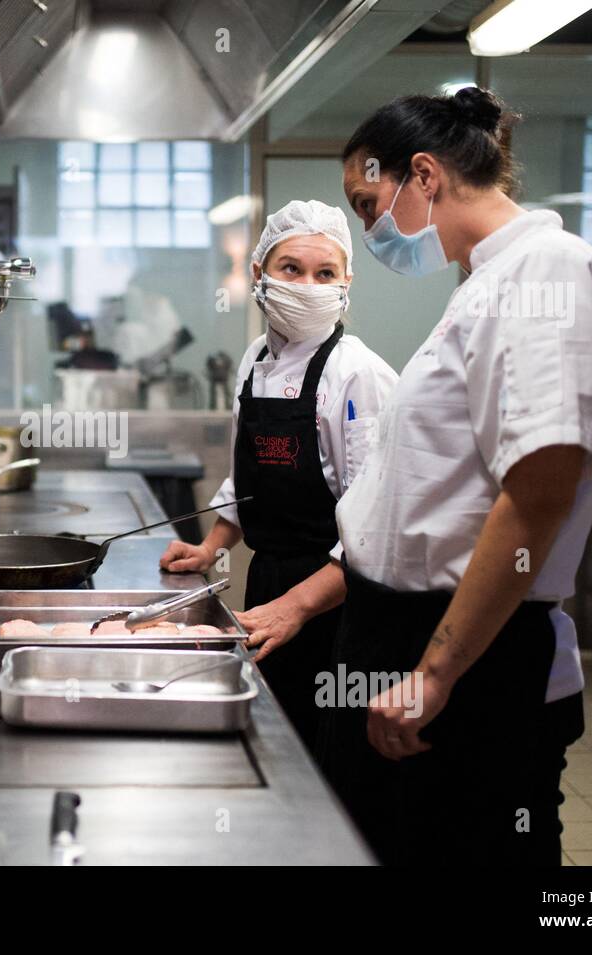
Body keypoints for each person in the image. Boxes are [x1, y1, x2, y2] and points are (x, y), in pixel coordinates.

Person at [243, 87, 592, 865]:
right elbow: (409, 497)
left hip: (469, 657)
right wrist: (299, 603)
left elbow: (539, 493)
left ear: (423, 173)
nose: (368, 230)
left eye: (367, 205)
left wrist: (436, 670)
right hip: (391, 635)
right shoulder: (482, 284)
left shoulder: (550, 272)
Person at [158, 200, 397, 753]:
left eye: (325, 273)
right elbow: (247, 481)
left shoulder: (356, 375)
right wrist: (212, 546)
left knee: (329, 752)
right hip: (270, 584)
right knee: (277, 736)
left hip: (339, 599)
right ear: (259, 273)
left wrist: (298, 606)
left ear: (346, 284)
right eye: (291, 268)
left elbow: (375, 530)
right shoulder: (254, 360)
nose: (307, 286)